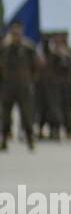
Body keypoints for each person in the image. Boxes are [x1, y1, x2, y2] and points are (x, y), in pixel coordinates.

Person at [0, 22, 40, 151]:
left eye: (18, 33)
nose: (15, 35)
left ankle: (30, 139)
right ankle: (4, 140)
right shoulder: (5, 48)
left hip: (24, 86)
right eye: (13, 33)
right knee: (6, 115)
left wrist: (30, 81)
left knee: (27, 115)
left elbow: (36, 66)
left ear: (22, 33)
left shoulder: (29, 48)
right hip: (8, 87)